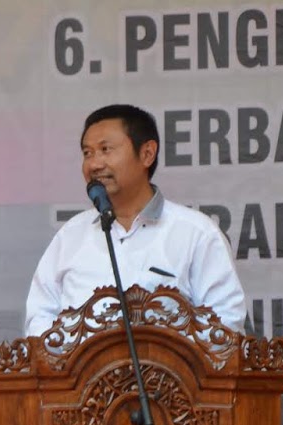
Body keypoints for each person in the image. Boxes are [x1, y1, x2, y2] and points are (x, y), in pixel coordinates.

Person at [25, 104, 246, 337]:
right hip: (82, 374)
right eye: (87, 153)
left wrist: (164, 359)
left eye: (105, 149)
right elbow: (39, 321)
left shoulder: (196, 233)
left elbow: (226, 324)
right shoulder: (70, 236)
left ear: (147, 153)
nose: (94, 164)